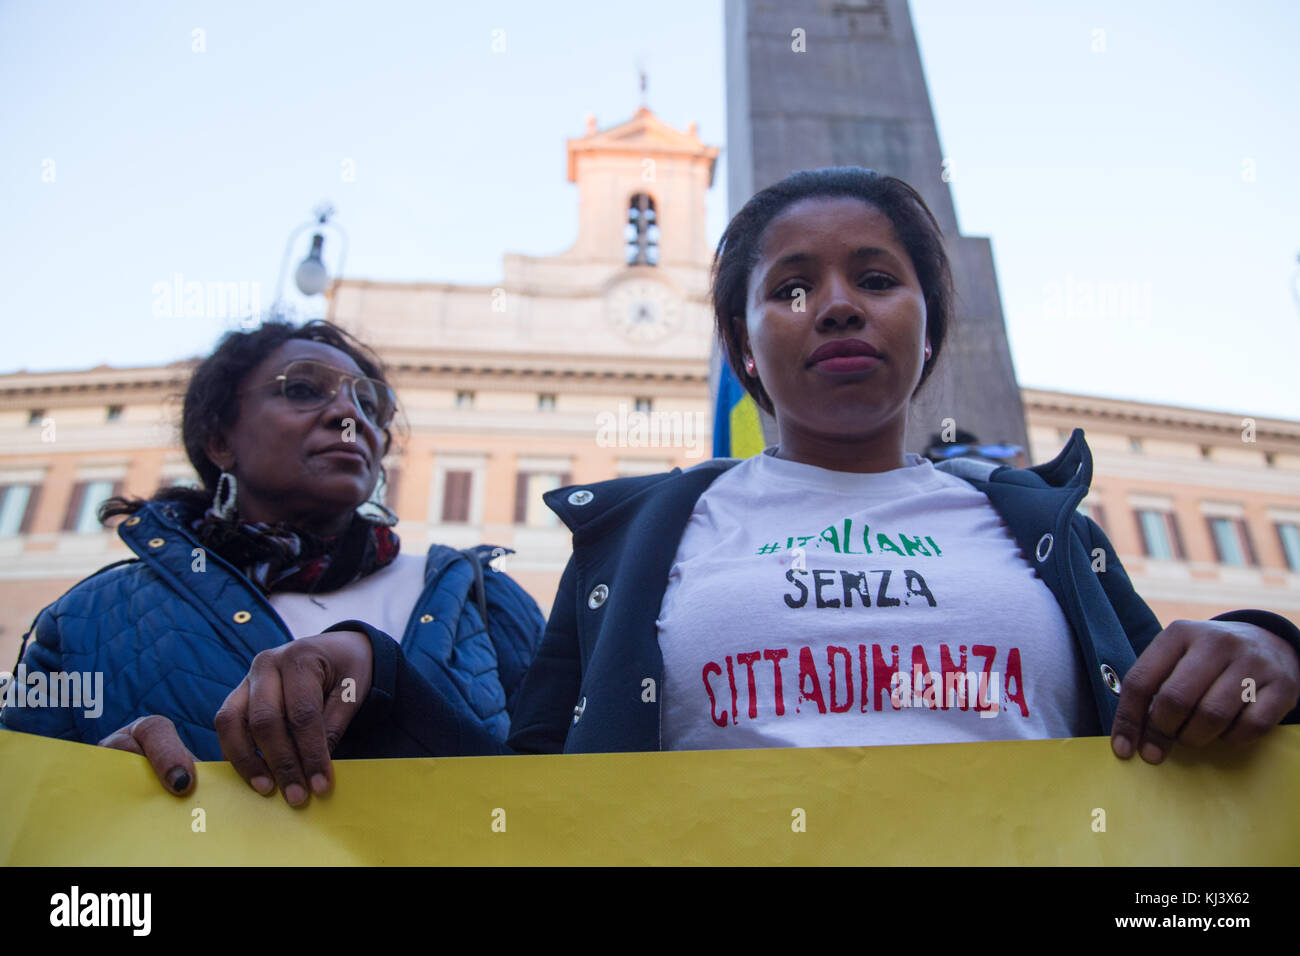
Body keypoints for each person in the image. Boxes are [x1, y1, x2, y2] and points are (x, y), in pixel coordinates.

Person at [110, 170, 1300, 804]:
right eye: (790, 285)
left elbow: (1191, 715)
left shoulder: (1043, 526)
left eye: (875, 277)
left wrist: (1268, 643)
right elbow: (526, 796)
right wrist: (373, 679)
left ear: (927, 329)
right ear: (742, 348)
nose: (833, 303)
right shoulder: (636, 541)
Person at [0, 320, 545, 804]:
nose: (347, 415)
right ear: (220, 440)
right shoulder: (83, 620)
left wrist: (388, 680)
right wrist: (88, 787)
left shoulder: (485, 597)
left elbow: (562, 796)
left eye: (370, 406)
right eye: (305, 390)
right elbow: (21, 814)